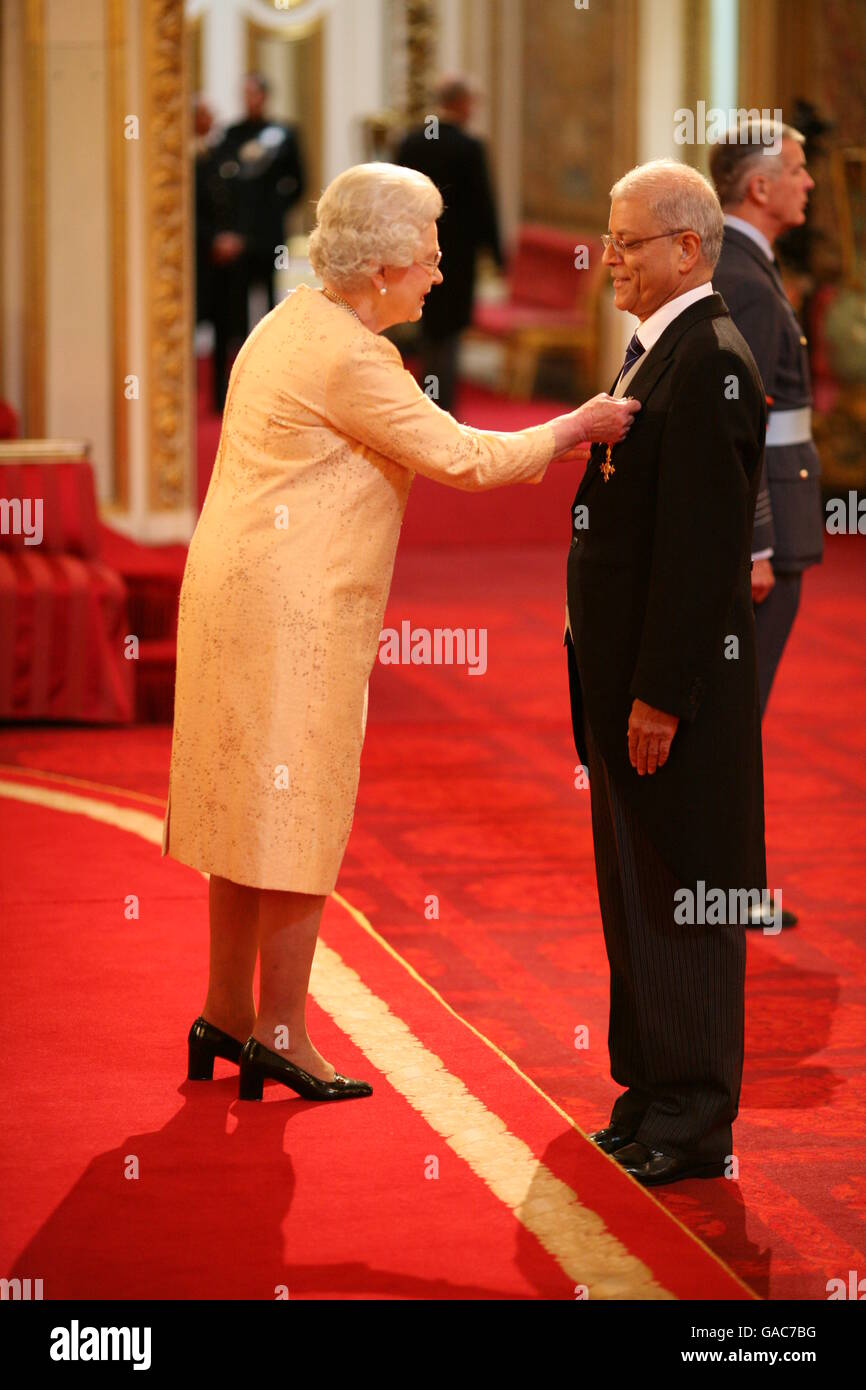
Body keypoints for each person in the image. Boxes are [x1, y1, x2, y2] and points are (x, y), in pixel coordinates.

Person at [164, 163, 639, 1105]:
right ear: (380, 265)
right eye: (426, 257)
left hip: (230, 590)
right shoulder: (353, 356)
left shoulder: (289, 320)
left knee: (241, 807)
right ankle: (285, 1034)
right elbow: (462, 455)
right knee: (296, 814)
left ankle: (225, 1011)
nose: (437, 274)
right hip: (296, 610)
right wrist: (578, 426)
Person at [564, 160, 767, 1185]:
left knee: (685, 899)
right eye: (607, 237)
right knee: (636, 901)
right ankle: (645, 1094)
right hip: (620, 691)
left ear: (686, 247)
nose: (608, 258)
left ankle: (690, 1120)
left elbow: (698, 556)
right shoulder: (657, 350)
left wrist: (657, 694)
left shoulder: (710, 358)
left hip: (670, 699)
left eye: (625, 241)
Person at [710, 121, 824, 930]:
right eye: (798, 168)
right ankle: (723, 888)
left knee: (738, 712)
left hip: (780, 519)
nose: (809, 182)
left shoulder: (750, 264)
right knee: (734, 715)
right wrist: (753, 542)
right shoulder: (744, 277)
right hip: (767, 531)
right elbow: (737, 423)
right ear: (759, 187)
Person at [395, 73, 503, 414]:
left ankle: (424, 399)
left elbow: (392, 196)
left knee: (425, 322)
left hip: (413, 249)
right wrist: (497, 255)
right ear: (462, 103)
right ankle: (444, 407)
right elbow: (484, 205)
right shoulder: (469, 148)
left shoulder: (411, 141)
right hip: (457, 256)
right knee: (451, 330)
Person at [208, 74, 306, 409]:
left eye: (254, 94)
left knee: (267, 314)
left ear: (265, 96)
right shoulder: (230, 136)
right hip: (233, 240)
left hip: (268, 240)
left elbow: (298, 183)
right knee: (230, 315)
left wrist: (271, 213)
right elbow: (219, 184)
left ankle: (266, 387)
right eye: (244, 93)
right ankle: (226, 390)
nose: (249, 99)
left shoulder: (284, 135)